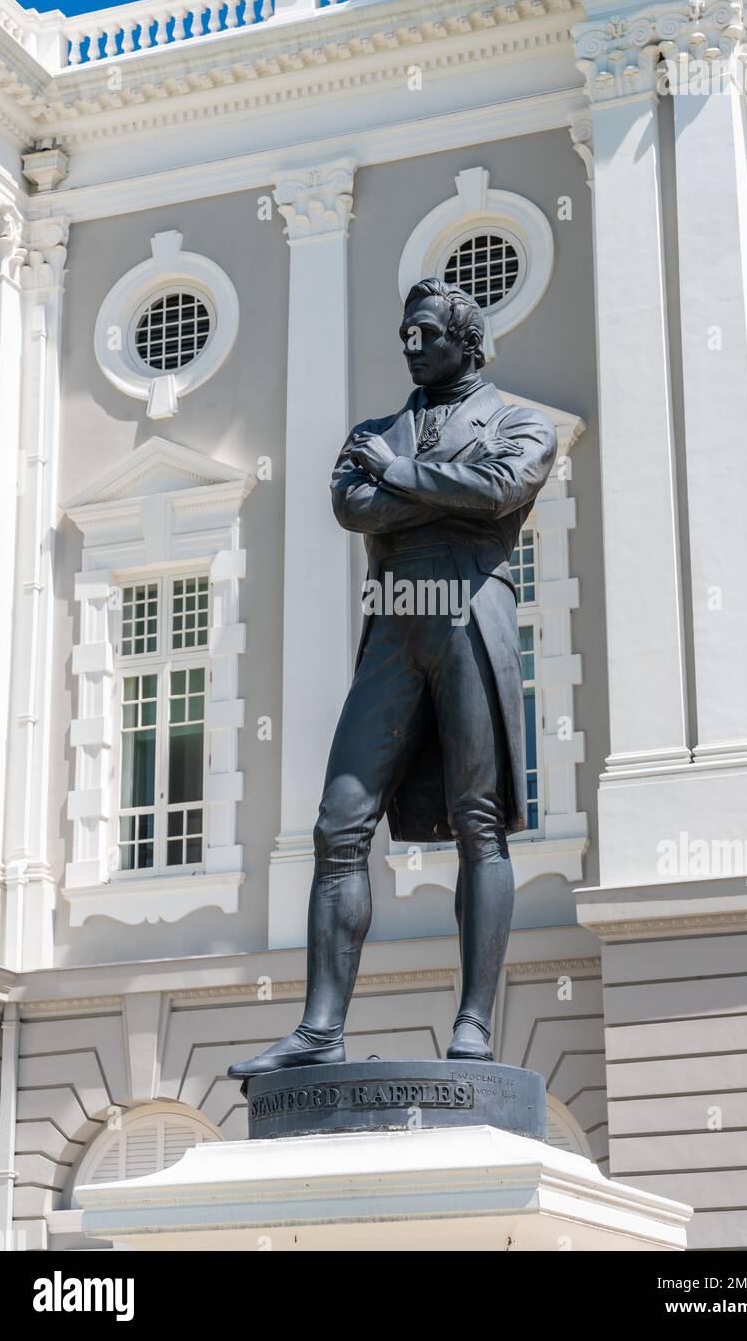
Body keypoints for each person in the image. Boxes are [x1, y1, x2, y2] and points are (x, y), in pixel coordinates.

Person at [229, 278, 557, 1080]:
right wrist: (433, 487)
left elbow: (501, 492)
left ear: (464, 339)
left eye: (422, 334)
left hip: (468, 609)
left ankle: (474, 1024)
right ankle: (318, 1029)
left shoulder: (521, 422)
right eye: (403, 335)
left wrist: (398, 474)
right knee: (338, 824)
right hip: (392, 623)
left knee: (479, 822)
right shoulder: (374, 431)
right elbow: (354, 510)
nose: (408, 347)